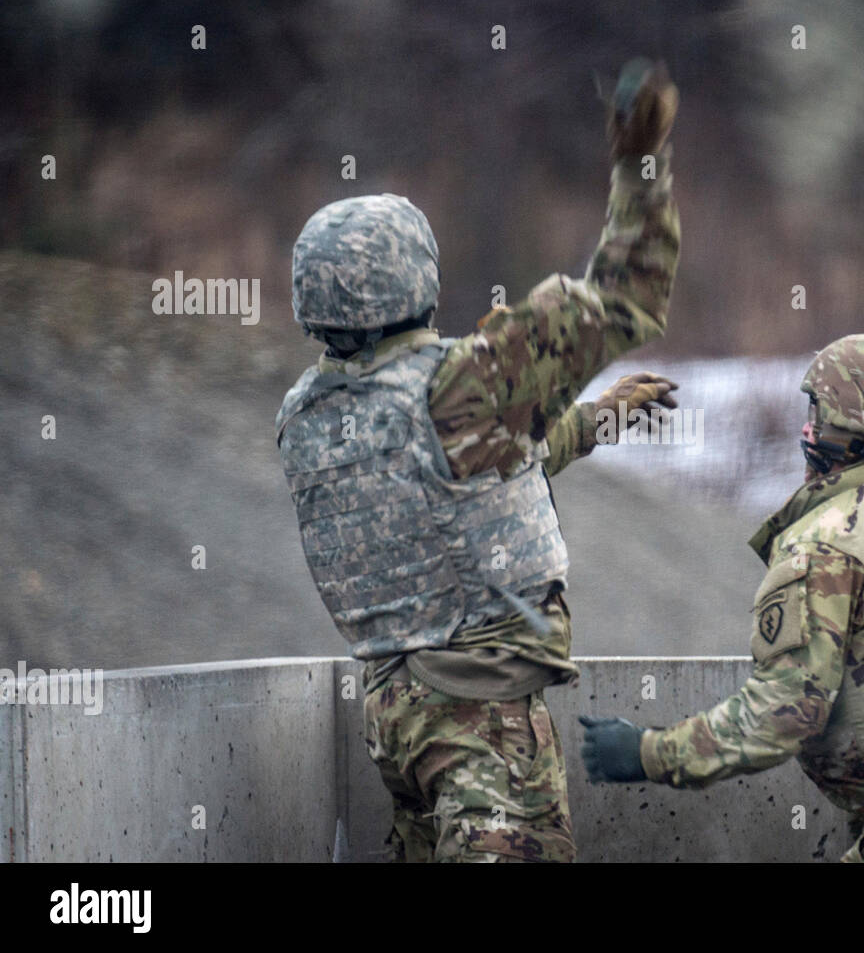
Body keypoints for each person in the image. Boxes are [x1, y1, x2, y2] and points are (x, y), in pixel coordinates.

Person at [275, 59, 681, 862]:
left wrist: (594, 420)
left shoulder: (308, 415)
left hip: (399, 718)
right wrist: (642, 162)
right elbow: (629, 298)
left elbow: (464, 478)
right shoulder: (465, 383)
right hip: (480, 719)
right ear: (417, 276)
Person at [580, 333, 864, 862]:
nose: (808, 429)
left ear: (852, 429)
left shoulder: (832, 533)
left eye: (819, 413)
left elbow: (784, 712)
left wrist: (646, 753)